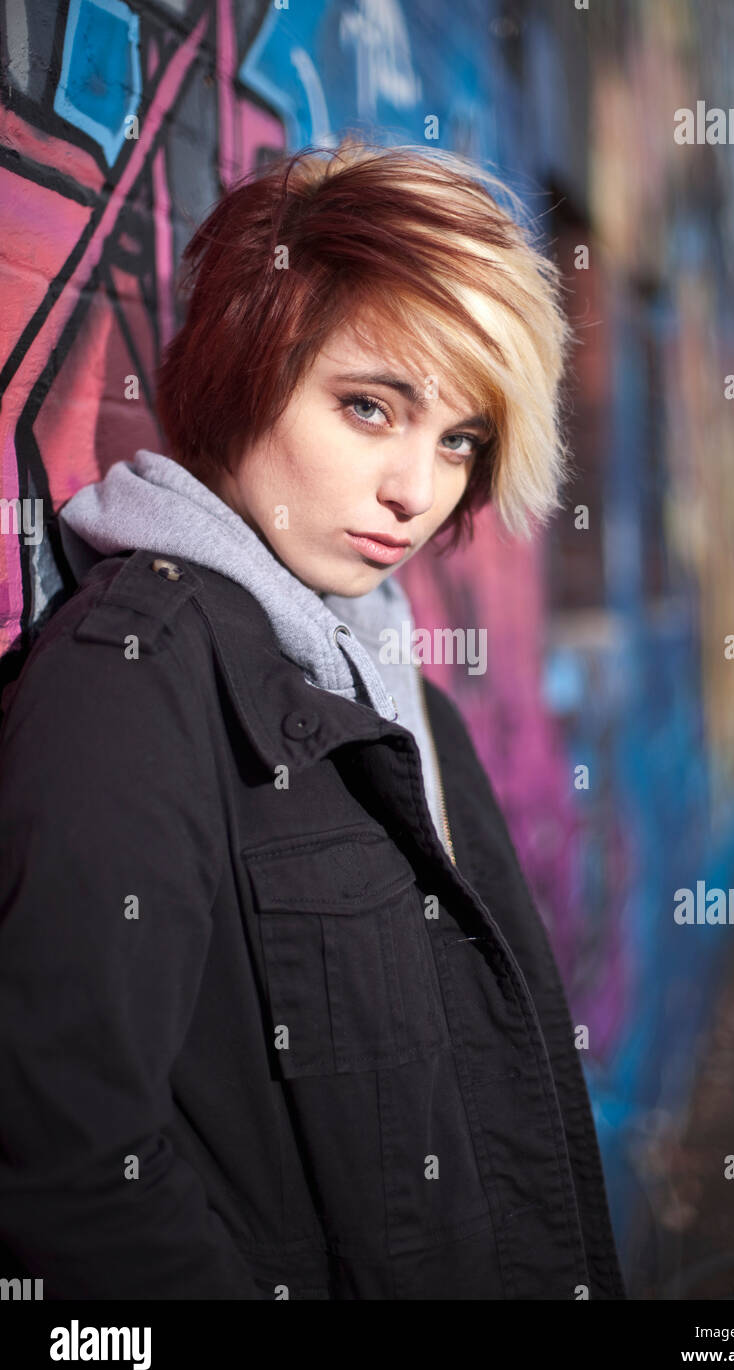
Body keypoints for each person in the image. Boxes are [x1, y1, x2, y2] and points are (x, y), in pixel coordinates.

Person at [0, 136, 626, 1300]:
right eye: (367, 406)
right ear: (245, 369)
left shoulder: (389, 686)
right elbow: (66, 1158)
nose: (415, 488)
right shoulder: (133, 677)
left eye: (459, 439)